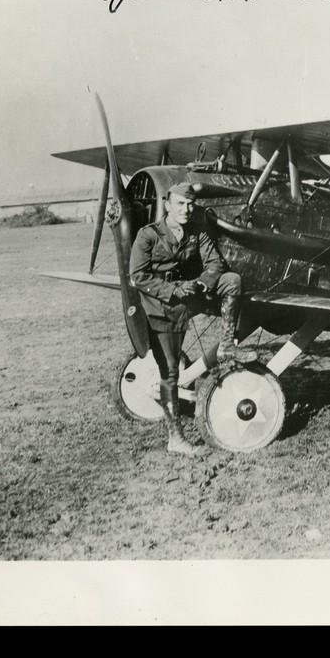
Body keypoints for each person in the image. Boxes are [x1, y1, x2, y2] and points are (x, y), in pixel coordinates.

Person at [129, 182, 257, 456]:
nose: (186, 210)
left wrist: (200, 285)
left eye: (190, 204)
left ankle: (226, 345)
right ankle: (175, 438)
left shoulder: (198, 231)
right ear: (167, 205)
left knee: (232, 281)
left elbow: (215, 265)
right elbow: (138, 276)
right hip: (161, 305)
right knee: (170, 372)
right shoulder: (148, 235)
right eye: (180, 204)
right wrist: (173, 289)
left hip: (192, 293)